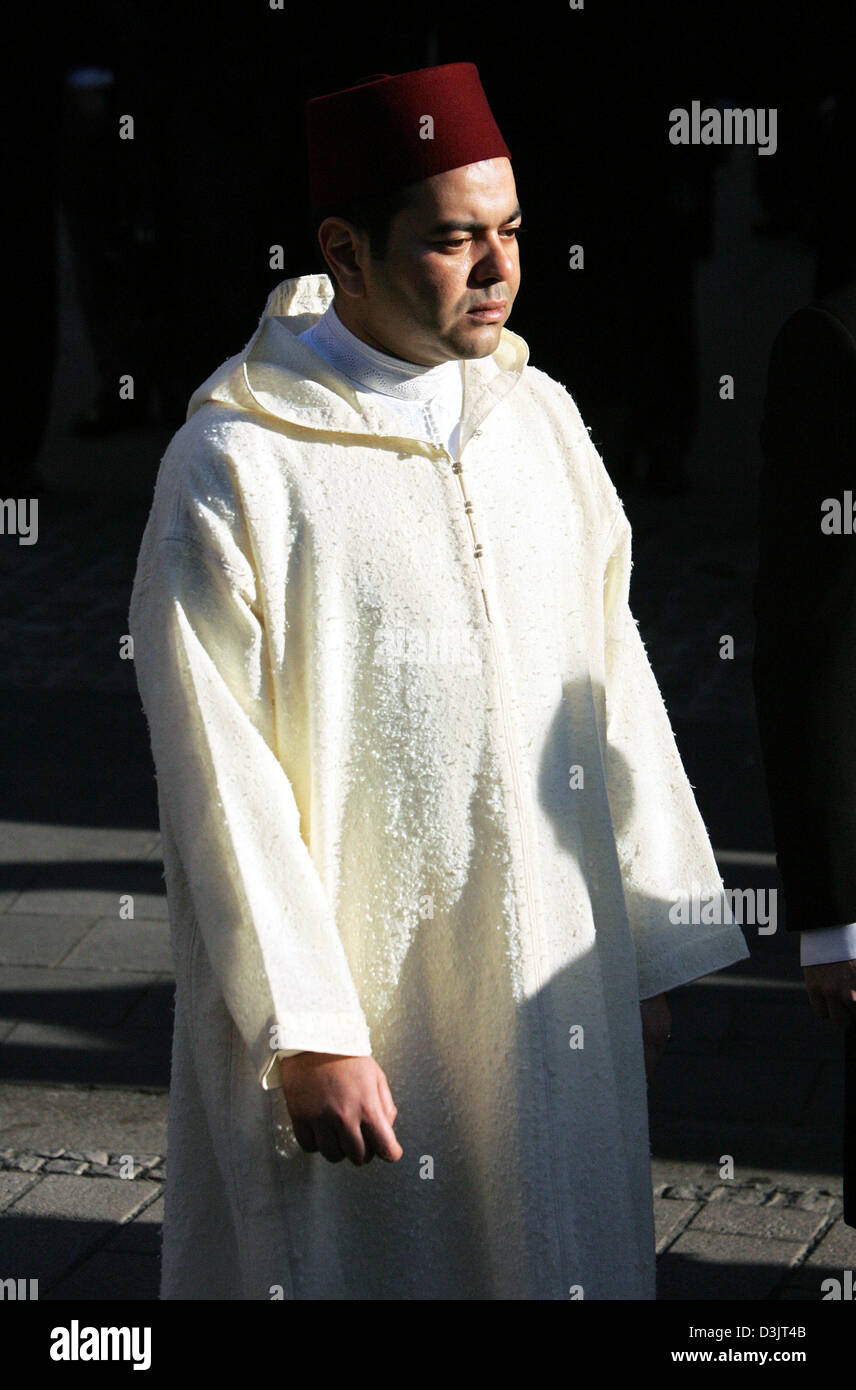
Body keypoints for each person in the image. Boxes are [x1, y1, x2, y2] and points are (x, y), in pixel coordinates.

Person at [129, 62, 748, 1300]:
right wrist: (305, 1027)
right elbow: (218, 774)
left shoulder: (543, 421)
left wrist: (635, 938)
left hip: (546, 983)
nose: (499, 268)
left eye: (511, 230)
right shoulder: (236, 468)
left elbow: (606, 672)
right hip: (369, 1007)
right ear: (346, 254)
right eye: (455, 239)